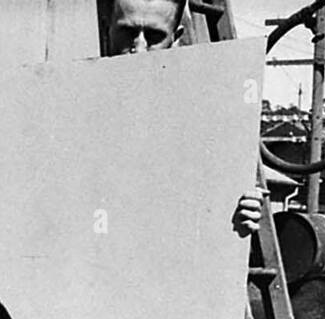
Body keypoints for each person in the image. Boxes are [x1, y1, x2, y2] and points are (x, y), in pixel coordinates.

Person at [107, 0, 264, 237]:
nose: (139, 48)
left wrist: (245, 210)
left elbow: (210, 221)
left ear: (175, 37)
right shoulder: (60, 109)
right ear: (107, 26)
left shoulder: (207, 125)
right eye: (128, 32)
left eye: (153, 36)